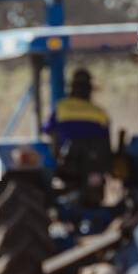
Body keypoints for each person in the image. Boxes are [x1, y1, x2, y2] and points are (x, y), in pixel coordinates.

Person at [46, 68, 113, 205]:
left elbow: (48, 131)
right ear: (90, 90)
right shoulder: (100, 113)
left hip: (67, 167)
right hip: (95, 166)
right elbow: (107, 143)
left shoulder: (61, 108)